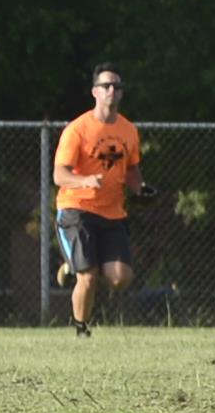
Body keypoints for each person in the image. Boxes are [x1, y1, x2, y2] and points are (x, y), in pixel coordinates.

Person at [53, 65, 146, 334]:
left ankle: (73, 266)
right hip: (77, 208)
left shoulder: (128, 130)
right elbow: (60, 175)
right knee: (89, 276)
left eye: (117, 87)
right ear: (95, 92)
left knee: (120, 278)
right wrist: (83, 181)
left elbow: (132, 169)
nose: (112, 91)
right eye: (106, 86)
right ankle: (81, 328)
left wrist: (140, 188)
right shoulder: (78, 130)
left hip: (113, 212)